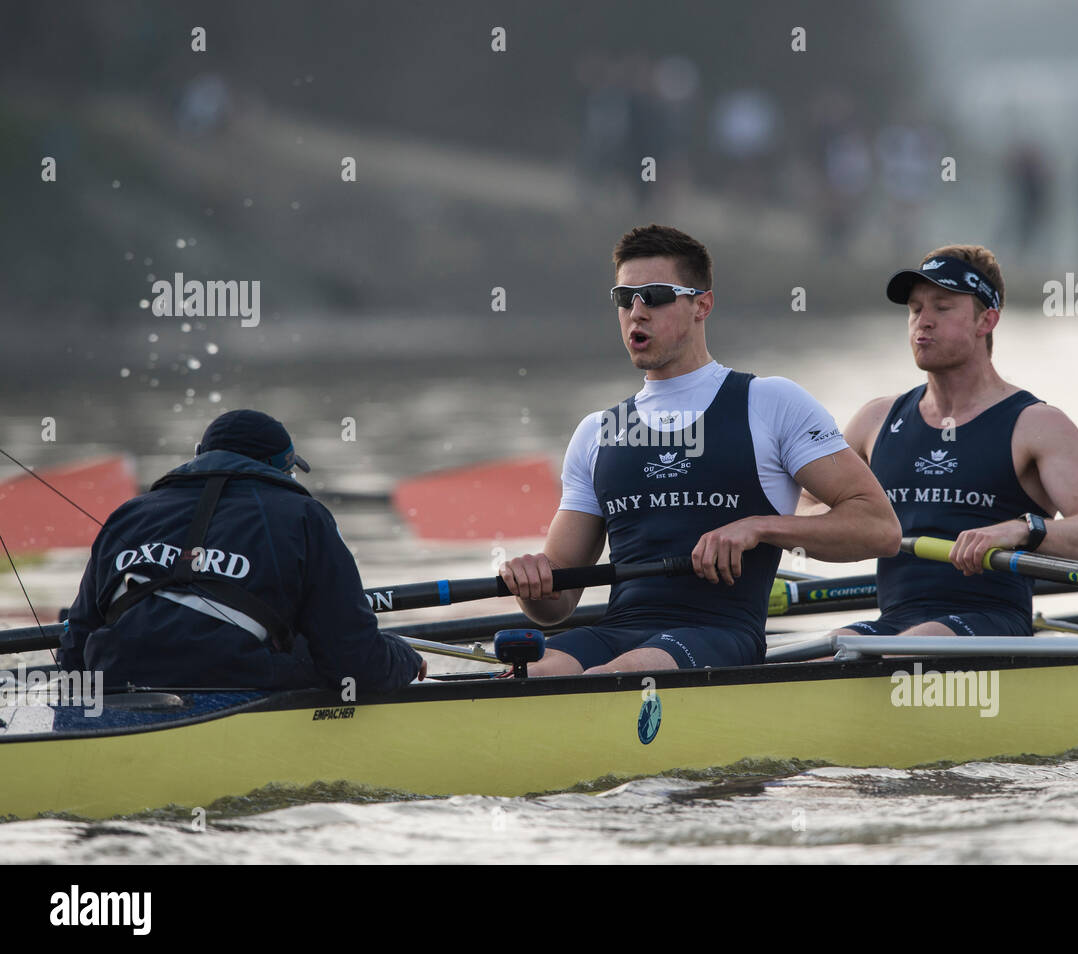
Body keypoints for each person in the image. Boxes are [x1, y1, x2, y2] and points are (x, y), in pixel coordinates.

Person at [499, 224, 901, 674]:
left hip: (718, 636)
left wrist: (761, 528)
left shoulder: (769, 403)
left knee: (616, 675)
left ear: (701, 305)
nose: (636, 312)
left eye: (654, 296)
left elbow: (878, 528)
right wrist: (531, 583)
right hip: (617, 630)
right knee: (527, 674)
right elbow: (559, 604)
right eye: (624, 298)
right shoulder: (598, 432)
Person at [811, 245, 1078, 638]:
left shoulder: (1035, 424)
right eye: (914, 309)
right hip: (894, 622)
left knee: (903, 648)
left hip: (990, 624)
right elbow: (807, 504)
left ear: (986, 320)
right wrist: (843, 527)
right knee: (832, 647)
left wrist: (1022, 530)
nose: (922, 322)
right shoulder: (876, 420)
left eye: (942, 308)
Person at [59, 410, 425, 690]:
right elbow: (354, 663)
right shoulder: (303, 516)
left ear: (199, 456)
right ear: (283, 469)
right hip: (234, 678)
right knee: (318, 652)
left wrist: (77, 714)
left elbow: (75, 648)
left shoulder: (129, 513)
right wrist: (402, 657)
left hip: (114, 677)